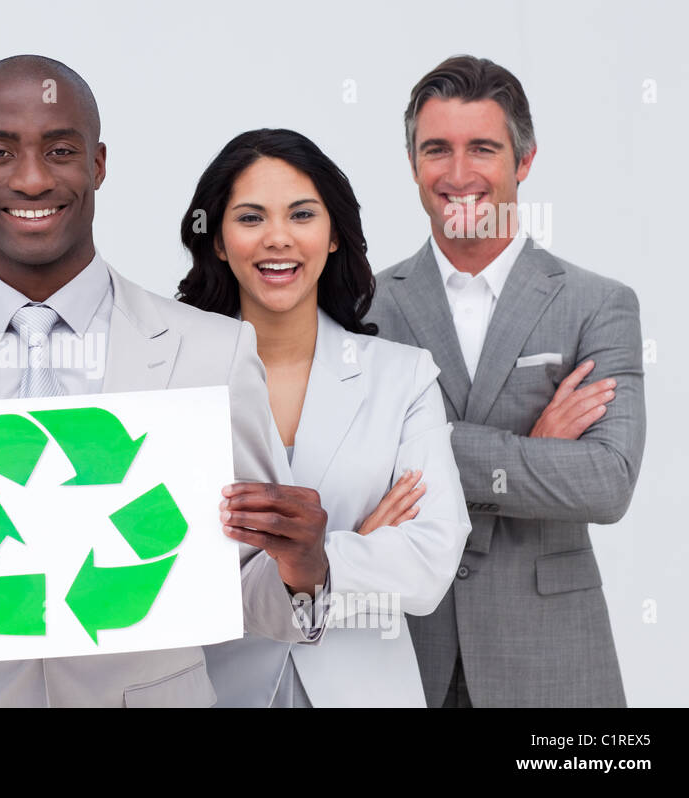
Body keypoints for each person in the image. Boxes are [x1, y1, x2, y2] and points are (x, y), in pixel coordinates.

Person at [0, 55, 332, 707]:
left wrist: (303, 572)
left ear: (97, 165)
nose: (30, 178)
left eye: (59, 150)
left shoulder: (212, 353)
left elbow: (246, 596)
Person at [366, 55, 646, 707]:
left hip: (552, 663)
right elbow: (353, 477)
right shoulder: (362, 310)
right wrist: (541, 448)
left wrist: (420, 445)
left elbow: (607, 484)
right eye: (437, 149)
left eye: (482, 149)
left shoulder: (598, 304)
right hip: (403, 659)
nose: (458, 174)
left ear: (523, 161)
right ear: (413, 164)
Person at [178, 128, 471, 706]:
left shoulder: (403, 377)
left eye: (302, 215)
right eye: (251, 218)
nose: (278, 239)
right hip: (216, 688)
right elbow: (163, 567)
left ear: (334, 234)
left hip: (363, 688)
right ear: (217, 241)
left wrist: (319, 559)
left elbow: (431, 560)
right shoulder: (175, 376)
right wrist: (350, 551)